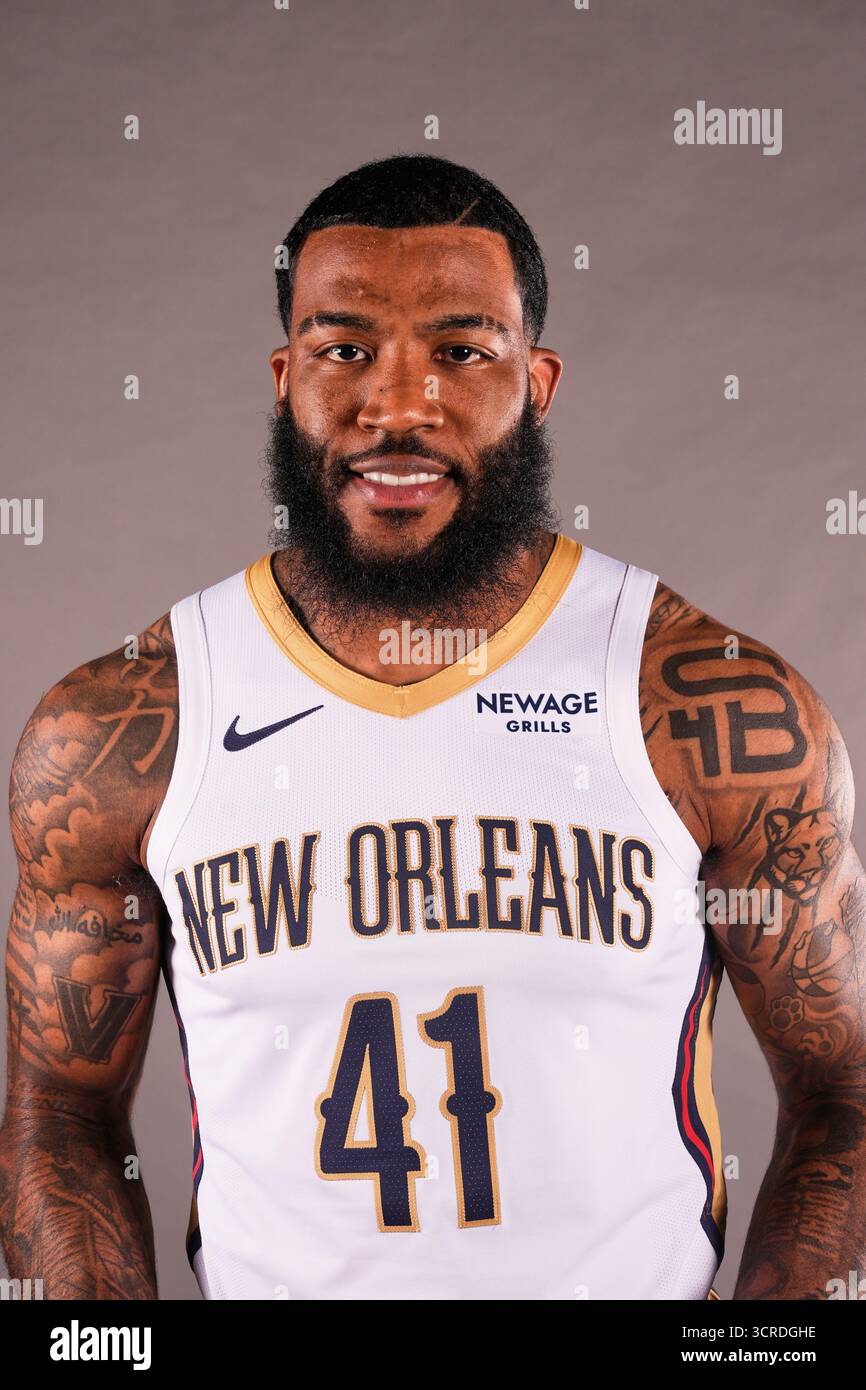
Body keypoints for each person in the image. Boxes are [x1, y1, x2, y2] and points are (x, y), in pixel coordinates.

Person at [1, 155, 864, 1300]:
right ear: (283, 376)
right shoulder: (121, 722)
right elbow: (58, 1116)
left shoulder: (698, 701)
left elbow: (841, 1090)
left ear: (537, 381)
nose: (399, 404)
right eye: (343, 349)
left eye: (461, 350)